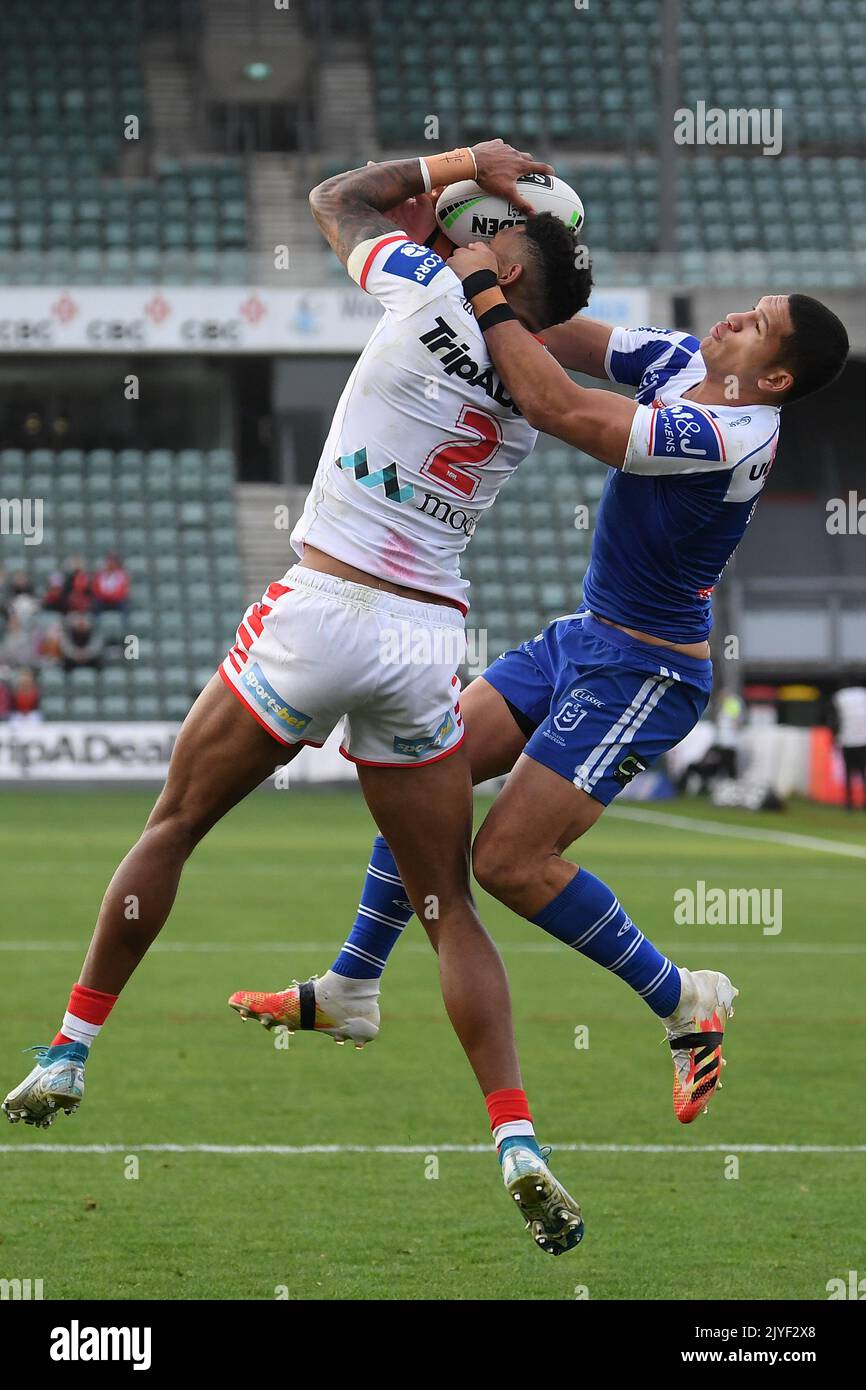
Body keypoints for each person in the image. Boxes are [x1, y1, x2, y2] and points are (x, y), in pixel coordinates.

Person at [3, 140, 593, 1256]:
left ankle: (69, 1049)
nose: (469, 231)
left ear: (504, 272)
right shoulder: (535, 385)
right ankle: (515, 1135)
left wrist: (467, 158)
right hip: (424, 637)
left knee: (173, 823)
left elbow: (336, 196)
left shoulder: (423, 288)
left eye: (490, 234)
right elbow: (564, 362)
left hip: (321, 605)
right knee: (445, 907)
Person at [237, 261, 849, 1129]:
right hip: (586, 636)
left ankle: (683, 999)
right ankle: (351, 987)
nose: (736, 316)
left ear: (775, 376)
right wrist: (481, 273)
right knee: (426, 777)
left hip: (645, 671)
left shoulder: (735, 433)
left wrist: (482, 286)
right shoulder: (681, 361)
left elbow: (560, 408)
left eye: (757, 323)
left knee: (507, 865)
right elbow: (557, 333)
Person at [831, 685, 866, 810]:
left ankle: (849, 802)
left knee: (849, 772)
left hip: (849, 740)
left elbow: (835, 720)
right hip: (859, 740)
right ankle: (853, 801)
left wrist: (835, 736)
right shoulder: (862, 695)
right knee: (861, 771)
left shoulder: (841, 696)